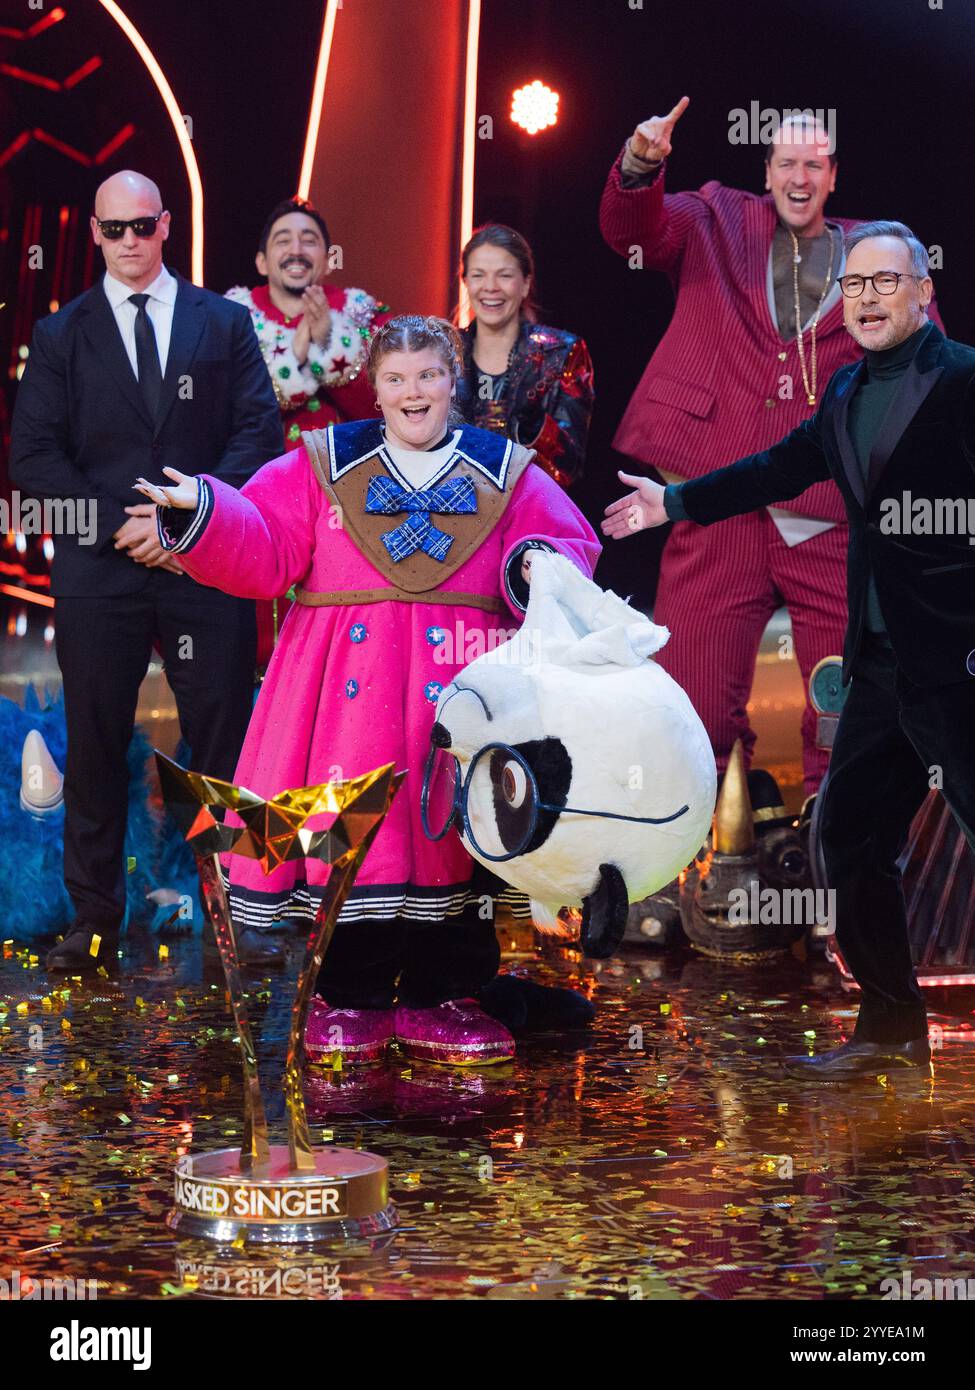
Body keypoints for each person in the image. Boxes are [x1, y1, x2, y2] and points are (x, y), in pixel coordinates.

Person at [135, 315, 600, 1066]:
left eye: (427, 377)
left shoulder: (506, 470)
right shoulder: (320, 465)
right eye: (395, 379)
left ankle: (440, 995)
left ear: (453, 382)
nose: (412, 393)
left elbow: (563, 546)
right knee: (352, 833)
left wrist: (533, 565)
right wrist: (204, 510)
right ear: (375, 389)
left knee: (457, 836)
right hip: (343, 704)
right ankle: (345, 998)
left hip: (462, 698)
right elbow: (262, 547)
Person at [603, 222, 970, 1081]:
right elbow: (773, 468)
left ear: (922, 291)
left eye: (886, 282)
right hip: (880, 666)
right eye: (854, 286)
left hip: (957, 661)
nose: (869, 297)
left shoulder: (962, 381)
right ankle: (889, 1029)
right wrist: (676, 502)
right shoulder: (841, 391)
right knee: (845, 840)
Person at [8, 169, 282, 971]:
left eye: (142, 227)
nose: (129, 242)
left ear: (166, 226)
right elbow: (33, 456)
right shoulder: (62, 334)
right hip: (101, 570)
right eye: (113, 229)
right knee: (94, 746)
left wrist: (185, 524)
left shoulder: (223, 323)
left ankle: (240, 912)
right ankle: (93, 921)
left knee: (223, 744)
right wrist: (121, 527)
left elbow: (256, 437)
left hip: (206, 565)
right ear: (95, 233)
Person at [600, 102, 895, 799]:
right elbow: (631, 231)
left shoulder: (875, 251)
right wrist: (640, 163)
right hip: (715, 494)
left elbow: (919, 362)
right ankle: (705, 862)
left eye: (813, 165)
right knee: (691, 706)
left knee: (842, 703)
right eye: (785, 163)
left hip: (821, 508)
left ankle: (838, 865)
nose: (799, 177)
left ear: (831, 176)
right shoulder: (717, 219)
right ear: (765, 171)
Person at [226, 196, 393, 666]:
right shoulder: (230, 317)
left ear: (326, 256)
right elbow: (227, 411)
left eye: (309, 240)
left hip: (348, 504)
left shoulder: (359, 313)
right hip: (257, 500)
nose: (296, 249)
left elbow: (392, 405)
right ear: (261, 260)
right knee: (255, 645)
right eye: (283, 240)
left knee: (342, 647)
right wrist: (297, 354)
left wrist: (329, 345)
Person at [455, 223, 594, 490]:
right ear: (466, 282)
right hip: (451, 511)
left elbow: (570, 465)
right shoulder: (443, 354)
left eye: (505, 275)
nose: (490, 287)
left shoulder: (561, 353)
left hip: (530, 511)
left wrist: (535, 429)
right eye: (478, 275)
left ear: (525, 284)